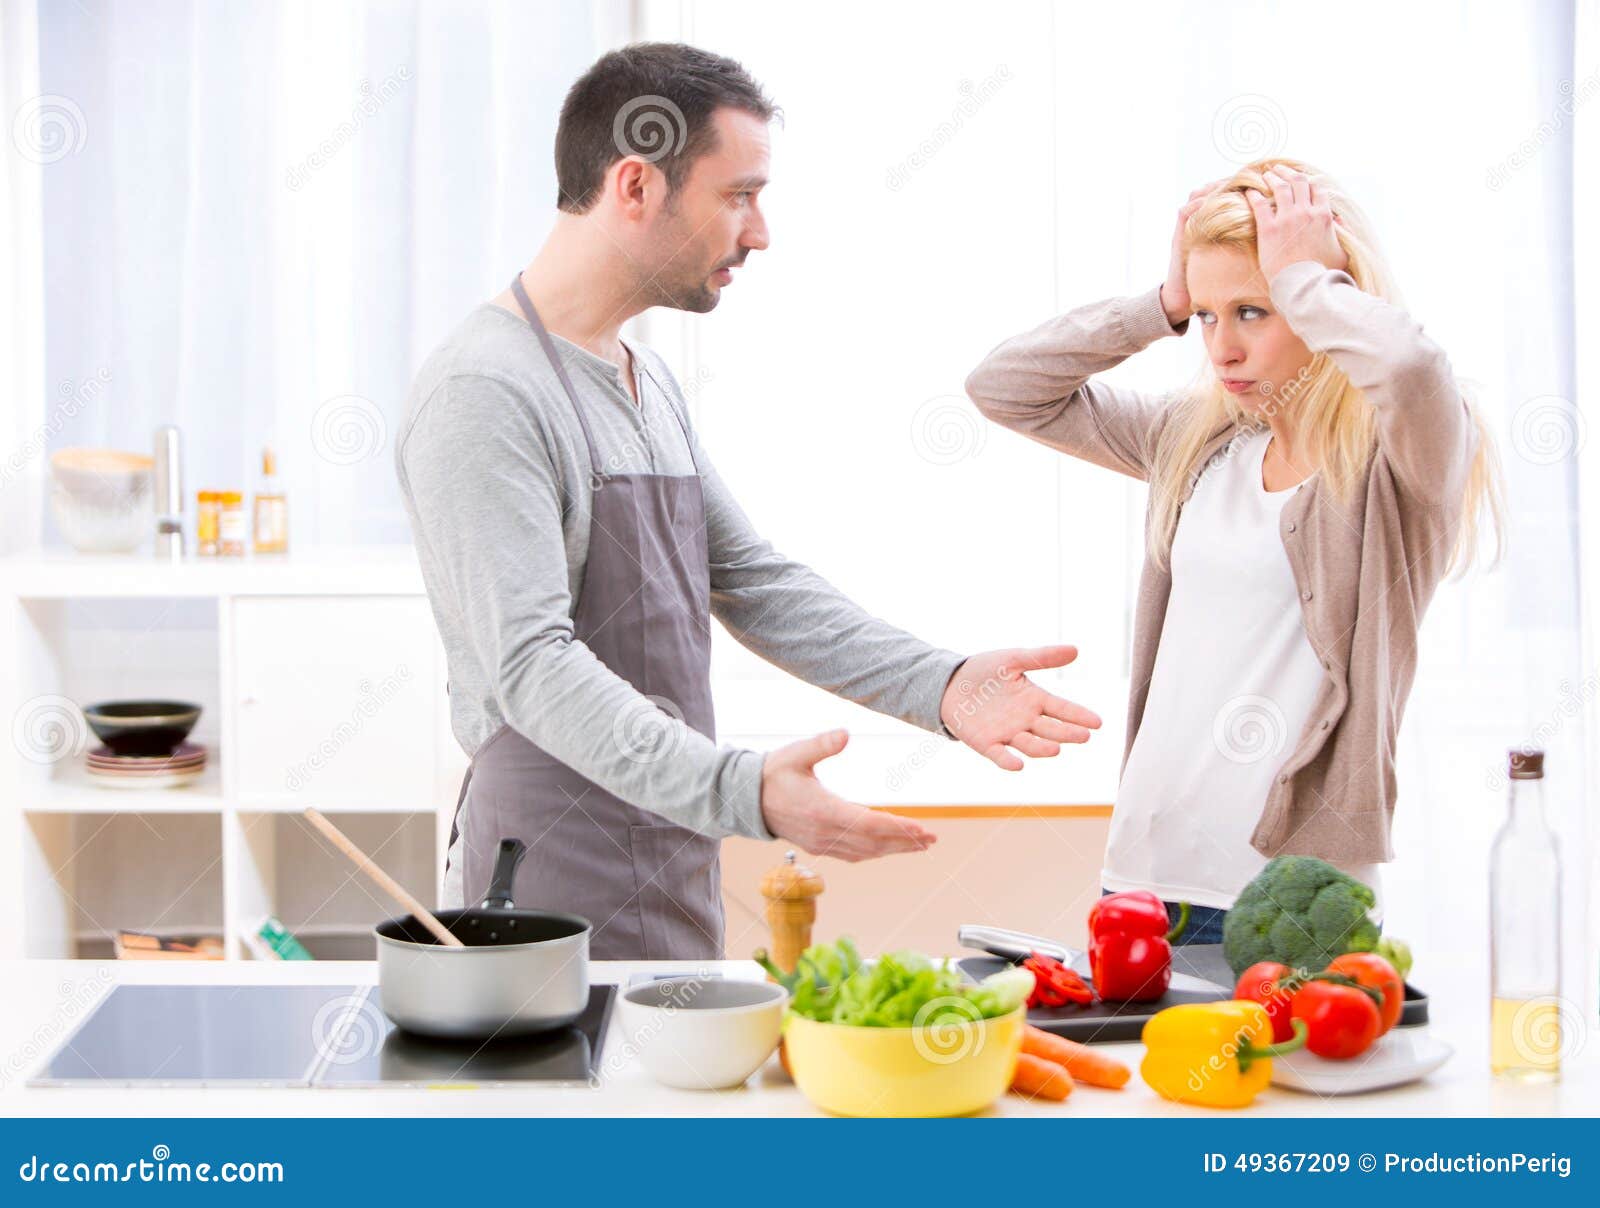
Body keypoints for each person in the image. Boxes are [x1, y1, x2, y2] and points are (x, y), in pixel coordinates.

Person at [395, 43, 1101, 960]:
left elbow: (752, 582)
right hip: (546, 883)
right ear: (638, 185)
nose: (760, 232)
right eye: (740, 195)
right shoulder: (483, 391)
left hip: (672, 849)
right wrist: (749, 792)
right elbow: (531, 666)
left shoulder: (640, 378)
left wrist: (941, 684)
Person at [965, 159, 1503, 944]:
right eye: (1210, 317)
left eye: (1254, 310)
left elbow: (1413, 367)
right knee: (1143, 1073)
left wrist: (1308, 281)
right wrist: (1163, 304)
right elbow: (1003, 387)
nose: (1223, 348)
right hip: (1144, 883)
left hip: (1294, 902)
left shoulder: (1397, 469)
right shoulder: (1193, 443)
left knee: (1287, 1073)